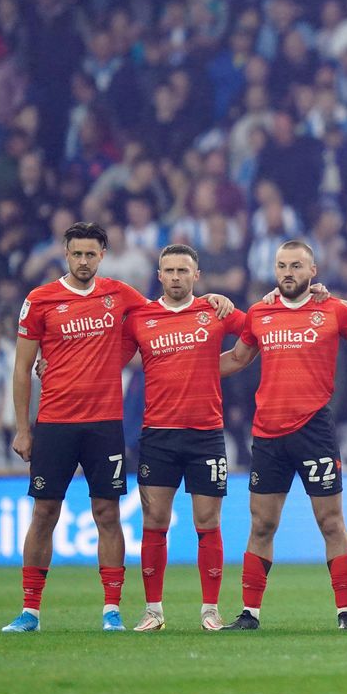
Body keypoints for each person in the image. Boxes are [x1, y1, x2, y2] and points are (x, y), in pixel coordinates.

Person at [2, 221, 233, 634]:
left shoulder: (121, 295)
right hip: (54, 422)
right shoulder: (40, 300)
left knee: (107, 513)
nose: (84, 261)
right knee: (43, 513)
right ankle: (29, 611)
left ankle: (112, 609)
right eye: (77, 254)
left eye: (91, 254)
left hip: (106, 423)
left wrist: (213, 299)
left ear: (103, 255)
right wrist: (23, 428)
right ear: (65, 254)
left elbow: (167, 312)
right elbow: (22, 369)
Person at [218, 239, 347, 630]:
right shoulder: (260, 313)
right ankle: (249, 613)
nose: (288, 272)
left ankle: (346, 612)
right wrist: (177, 364)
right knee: (262, 524)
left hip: (314, 430)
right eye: (282, 265)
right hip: (267, 434)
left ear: (312, 271)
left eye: (296, 266)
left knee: (331, 522)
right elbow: (236, 359)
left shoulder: (333, 311)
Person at [122, 244, 248, 632]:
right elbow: (110, 356)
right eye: (169, 270)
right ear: (159, 276)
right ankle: (153, 611)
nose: (176, 277)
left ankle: (210, 609)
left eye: (183, 270)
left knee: (207, 522)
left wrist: (222, 366)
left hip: (206, 434)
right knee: (154, 521)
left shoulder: (215, 311)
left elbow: (260, 330)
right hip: (158, 434)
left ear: (197, 275)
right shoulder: (141, 317)